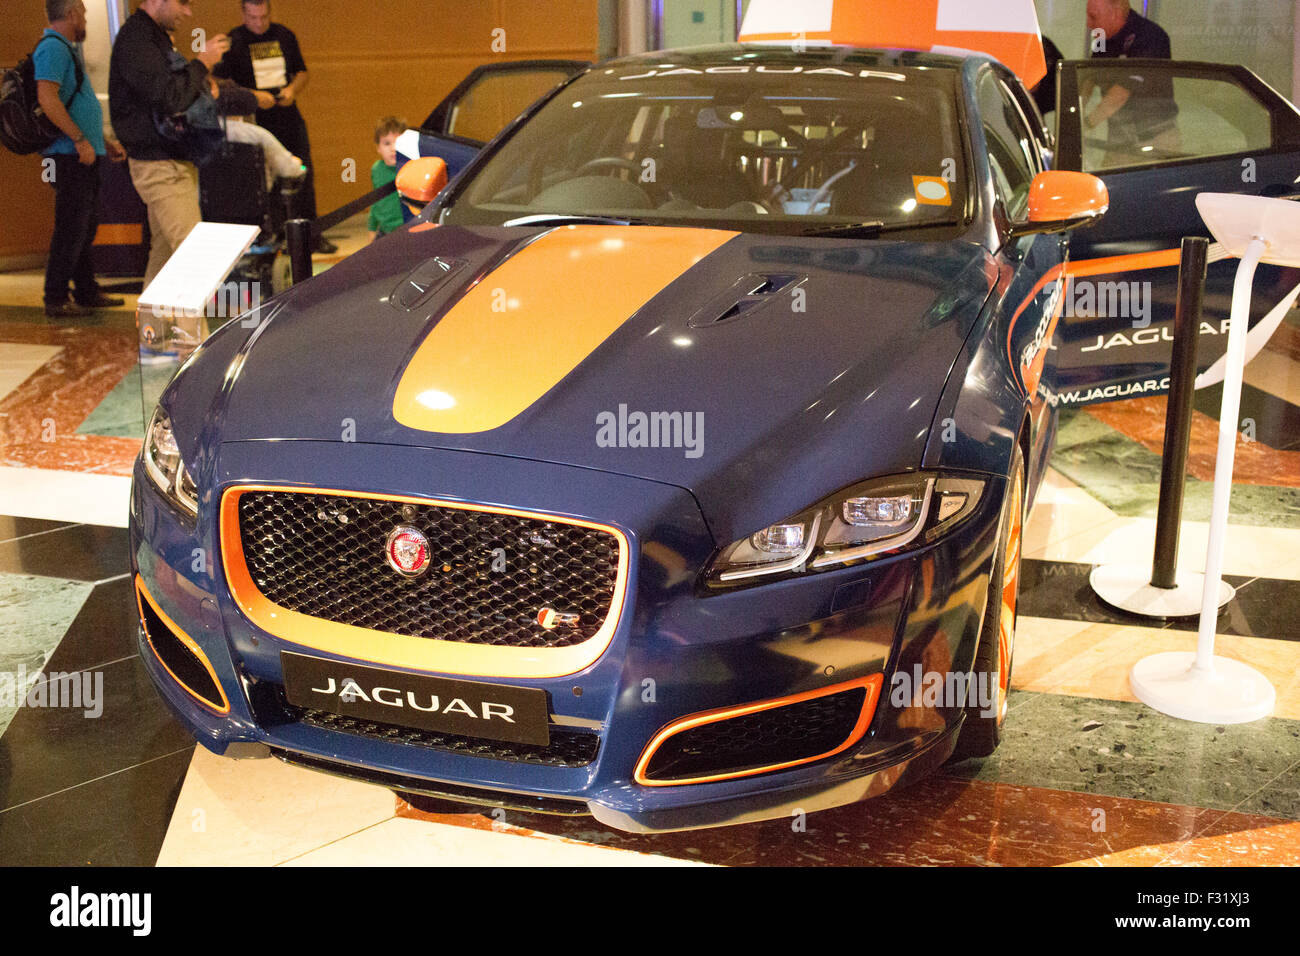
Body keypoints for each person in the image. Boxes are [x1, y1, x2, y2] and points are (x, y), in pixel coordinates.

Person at [109, 0, 229, 288]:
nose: (187, 12)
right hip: (160, 165)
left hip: (172, 160)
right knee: (194, 258)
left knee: (165, 259)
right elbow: (170, 98)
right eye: (182, 3)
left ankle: (154, 331)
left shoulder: (154, 38)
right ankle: (195, 335)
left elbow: (172, 93)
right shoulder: (136, 40)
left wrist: (200, 81)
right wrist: (202, 63)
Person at [213, 0, 335, 252]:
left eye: (264, 17)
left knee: (302, 172)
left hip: (288, 117)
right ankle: (276, 236)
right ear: (243, 14)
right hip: (255, 121)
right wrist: (253, 95)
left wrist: (291, 90)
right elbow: (217, 81)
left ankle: (310, 235)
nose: (259, 23)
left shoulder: (284, 35)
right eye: (253, 18)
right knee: (264, 181)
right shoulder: (233, 40)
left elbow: (302, 72)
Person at [35, 0, 127, 318]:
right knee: (71, 227)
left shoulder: (66, 48)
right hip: (68, 154)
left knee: (84, 226)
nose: (85, 19)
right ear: (72, 13)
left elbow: (76, 103)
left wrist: (103, 142)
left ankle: (86, 290)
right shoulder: (54, 48)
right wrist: (78, 139)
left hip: (81, 152)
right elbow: (47, 97)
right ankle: (55, 295)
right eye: (84, 13)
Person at [1083, 0, 1177, 167]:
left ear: (1116, 13)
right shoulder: (1102, 39)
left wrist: (1086, 124)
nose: (1089, 24)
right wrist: (1075, 109)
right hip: (1120, 140)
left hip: (1155, 140)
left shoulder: (1150, 37)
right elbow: (1089, 79)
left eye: (1093, 17)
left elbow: (1120, 95)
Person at [368, 116, 410, 242]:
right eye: (387, 143)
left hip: (407, 230)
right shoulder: (377, 169)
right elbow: (375, 201)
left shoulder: (410, 168)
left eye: (398, 143)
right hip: (384, 231)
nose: (393, 148)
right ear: (378, 148)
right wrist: (371, 228)